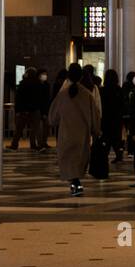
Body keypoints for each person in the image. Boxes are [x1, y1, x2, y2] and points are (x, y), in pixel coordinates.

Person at [48, 62, 98, 197]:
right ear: (81, 77)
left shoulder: (62, 95)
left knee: (68, 162)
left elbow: (52, 118)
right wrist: (96, 132)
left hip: (66, 134)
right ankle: (77, 184)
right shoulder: (87, 95)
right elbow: (95, 116)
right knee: (78, 161)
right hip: (82, 135)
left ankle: (75, 184)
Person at [10, 68, 40, 150]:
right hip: (34, 109)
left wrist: (18, 110)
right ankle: (33, 144)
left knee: (19, 128)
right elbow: (38, 98)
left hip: (24, 110)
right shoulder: (37, 83)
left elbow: (19, 98)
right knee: (34, 129)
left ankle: (14, 144)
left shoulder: (22, 84)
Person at [100, 68, 125, 163]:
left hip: (106, 117)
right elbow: (122, 103)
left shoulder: (103, 90)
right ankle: (118, 154)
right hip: (117, 117)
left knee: (106, 136)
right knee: (116, 137)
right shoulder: (119, 89)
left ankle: (104, 155)